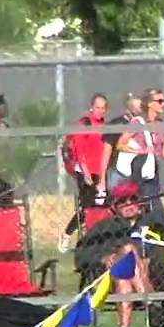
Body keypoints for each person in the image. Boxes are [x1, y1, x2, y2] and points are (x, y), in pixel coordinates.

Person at [74, 181, 164, 327]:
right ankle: (152, 304)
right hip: (109, 281)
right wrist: (102, 258)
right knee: (128, 251)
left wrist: (151, 259)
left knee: (125, 277)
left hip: (153, 276)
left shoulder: (155, 224)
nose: (129, 204)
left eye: (133, 199)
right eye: (122, 201)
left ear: (140, 202)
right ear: (114, 207)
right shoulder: (104, 228)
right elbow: (81, 255)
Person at [110, 88, 164, 212]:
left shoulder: (160, 125)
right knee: (146, 208)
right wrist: (140, 152)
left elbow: (163, 149)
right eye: (160, 101)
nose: (163, 104)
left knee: (153, 206)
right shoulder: (138, 123)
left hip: (150, 172)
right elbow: (120, 144)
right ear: (150, 104)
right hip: (135, 174)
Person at [59, 93, 109, 253]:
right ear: (91, 107)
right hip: (85, 170)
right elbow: (79, 150)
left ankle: (95, 238)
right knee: (87, 205)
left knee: (100, 204)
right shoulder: (85, 123)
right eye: (97, 107)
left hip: (99, 170)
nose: (100, 111)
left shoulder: (104, 125)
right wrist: (86, 172)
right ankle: (67, 233)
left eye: (103, 108)